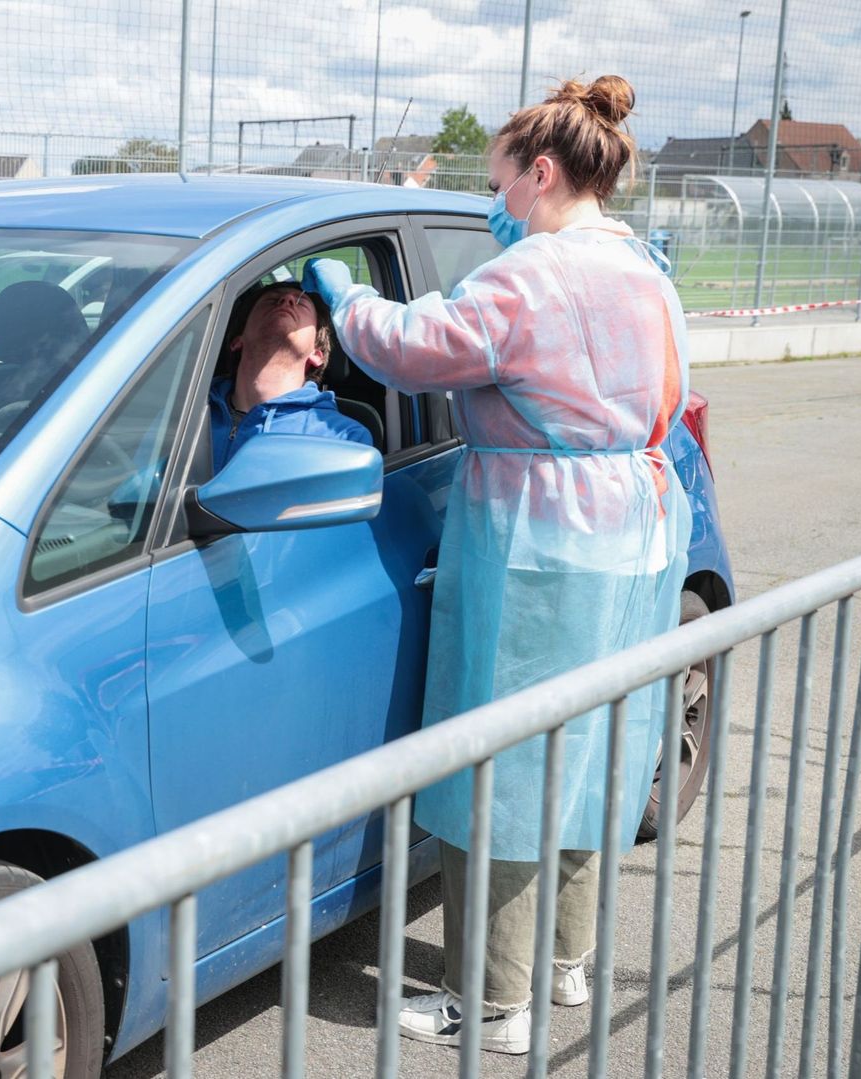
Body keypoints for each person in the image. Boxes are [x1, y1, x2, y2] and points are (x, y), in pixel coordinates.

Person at [304, 75, 691, 1056]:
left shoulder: (531, 275)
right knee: (589, 747)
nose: (495, 199)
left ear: (542, 173)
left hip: (539, 532)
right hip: (635, 526)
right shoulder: (648, 268)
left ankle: (492, 999)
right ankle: (564, 963)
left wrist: (346, 297)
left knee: (505, 764)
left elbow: (413, 345)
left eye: (501, 178)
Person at [209, 279, 373, 471]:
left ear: (317, 354)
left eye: (300, 303)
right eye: (272, 300)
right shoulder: (182, 413)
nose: (287, 299)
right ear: (237, 341)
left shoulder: (343, 438)